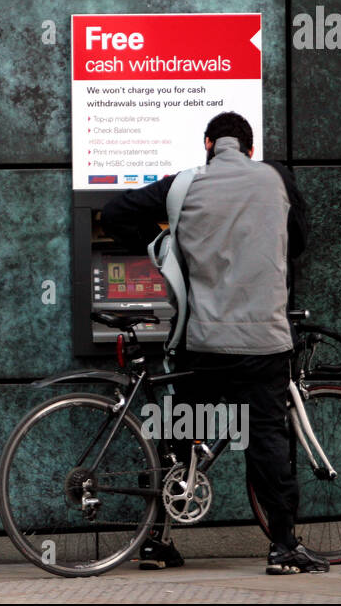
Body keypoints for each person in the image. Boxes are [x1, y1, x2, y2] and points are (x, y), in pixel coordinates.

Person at [100, 111, 328, 575]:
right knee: (265, 438)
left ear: (207, 144)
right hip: (263, 343)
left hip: (200, 341)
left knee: (181, 431)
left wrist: (165, 247)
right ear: (250, 147)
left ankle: (156, 543)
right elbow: (300, 242)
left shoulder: (183, 186)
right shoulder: (276, 179)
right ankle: (283, 549)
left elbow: (114, 214)